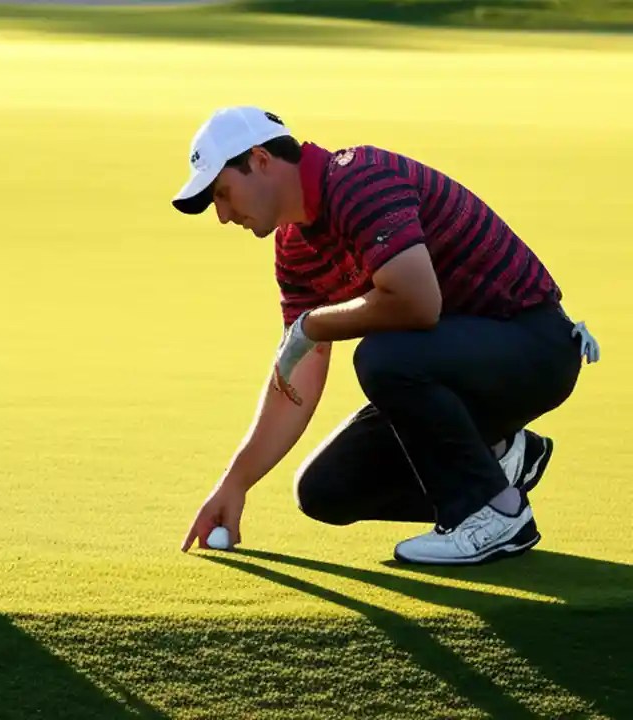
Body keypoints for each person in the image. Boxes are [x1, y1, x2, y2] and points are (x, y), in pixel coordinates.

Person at [172, 106, 600, 565]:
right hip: (459, 373)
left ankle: (489, 512)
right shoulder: (294, 247)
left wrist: (313, 324)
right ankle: (500, 457)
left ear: (260, 160)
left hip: (535, 348)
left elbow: (417, 302)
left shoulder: (358, 179)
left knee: (382, 357)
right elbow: (296, 376)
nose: (222, 215)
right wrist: (234, 483)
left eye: (223, 194)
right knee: (326, 490)